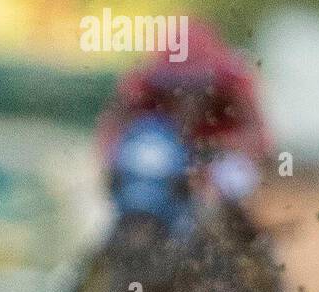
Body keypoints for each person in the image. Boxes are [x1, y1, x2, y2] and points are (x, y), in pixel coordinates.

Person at [95, 20, 272, 236]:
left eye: (197, 86)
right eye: (176, 85)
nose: (187, 97)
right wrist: (118, 166)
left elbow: (260, 138)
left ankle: (238, 243)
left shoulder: (236, 87)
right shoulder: (140, 87)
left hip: (215, 162)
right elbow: (110, 133)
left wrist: (220, 151)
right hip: (164, 165)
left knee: (235, 176)